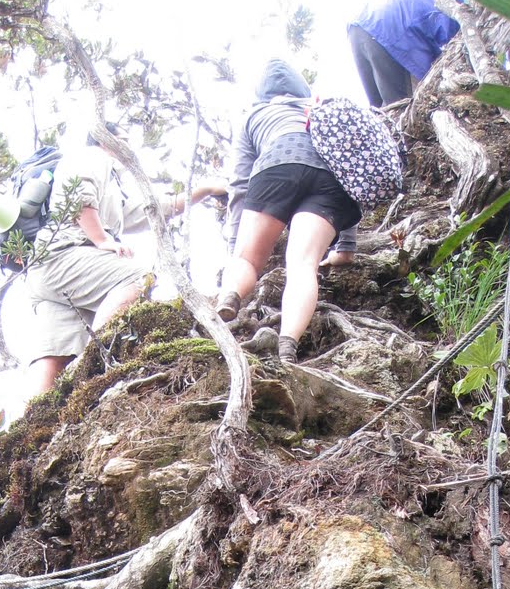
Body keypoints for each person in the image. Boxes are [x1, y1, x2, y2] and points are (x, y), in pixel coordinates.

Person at [26, 138, 225, 398]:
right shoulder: (93, 155)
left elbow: (151, 210)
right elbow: (78, 192)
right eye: (125, 141)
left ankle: (34, 426)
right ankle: (92, 364)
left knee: (56, 350)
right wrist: (101, 239)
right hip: (67, 253)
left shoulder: (112, 186)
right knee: (137, 278)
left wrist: (206, 189)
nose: (130, 147)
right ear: (109, 138)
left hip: (48, 268)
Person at [216, 60, 362, 365]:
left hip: (278, 163)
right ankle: (288, 347)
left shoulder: (254, 116)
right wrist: (346, 246)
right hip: (329, 179)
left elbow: (240, 186)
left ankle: (230, 297)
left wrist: (235, 250)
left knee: (247, 260)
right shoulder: (322, 109)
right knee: (303, 265)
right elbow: (353, 173)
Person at [348, 0, 461, 110]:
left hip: (359, 24)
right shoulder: (456, 2)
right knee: (402, 111)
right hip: (387, 27)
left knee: (380, 111)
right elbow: (452, 52)